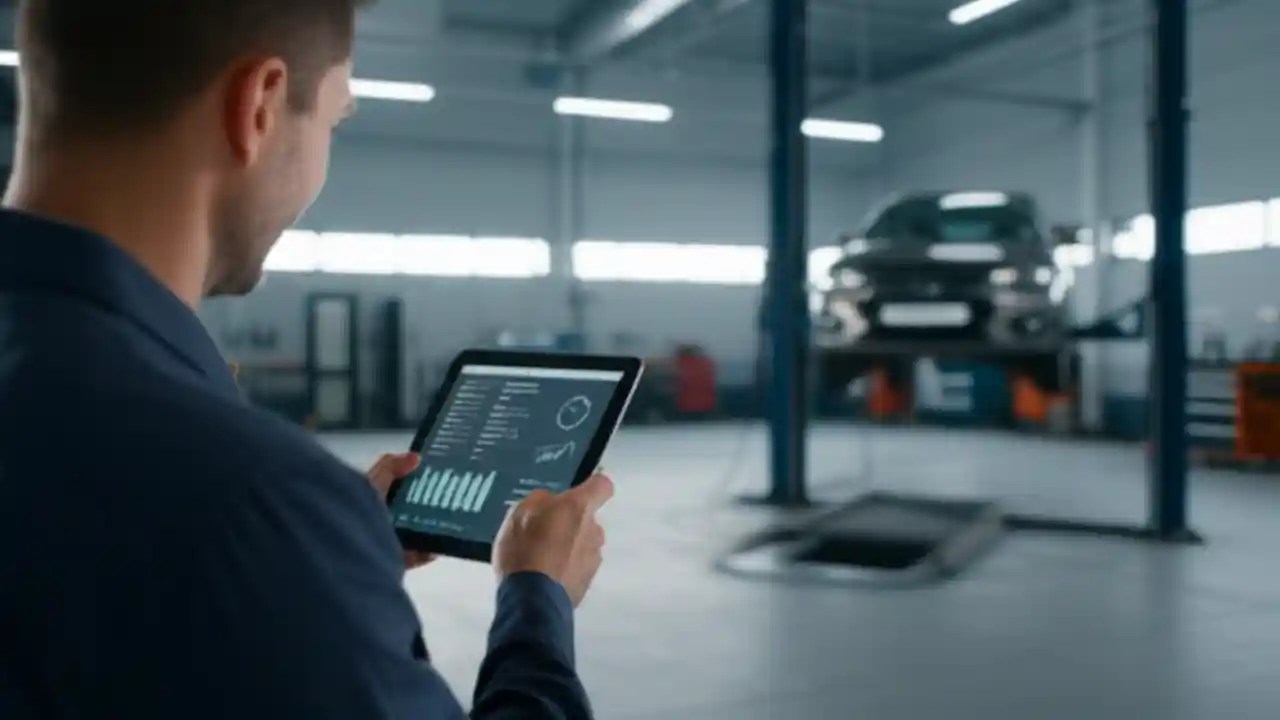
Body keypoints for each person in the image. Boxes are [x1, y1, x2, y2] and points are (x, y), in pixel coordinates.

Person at [0, 1, 613, 717]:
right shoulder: (253, 502)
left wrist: (335, 564)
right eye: (333, 121)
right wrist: (536, 600)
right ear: (258, 104)